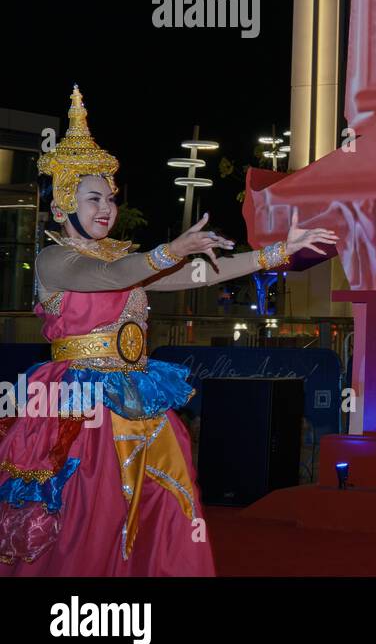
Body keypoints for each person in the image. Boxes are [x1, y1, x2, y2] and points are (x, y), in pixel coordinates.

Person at [0, 86, 337, 574]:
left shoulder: (123, 255)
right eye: (93, 198)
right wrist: (171, 251)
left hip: (135, 391)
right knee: (87, 510)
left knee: (160, 496)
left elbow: (199, 274)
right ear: (62, 205)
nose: (106, 208)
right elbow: (111, 278)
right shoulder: (55, 259)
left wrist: (278, 252)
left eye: (110, 198)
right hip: (77, 400)